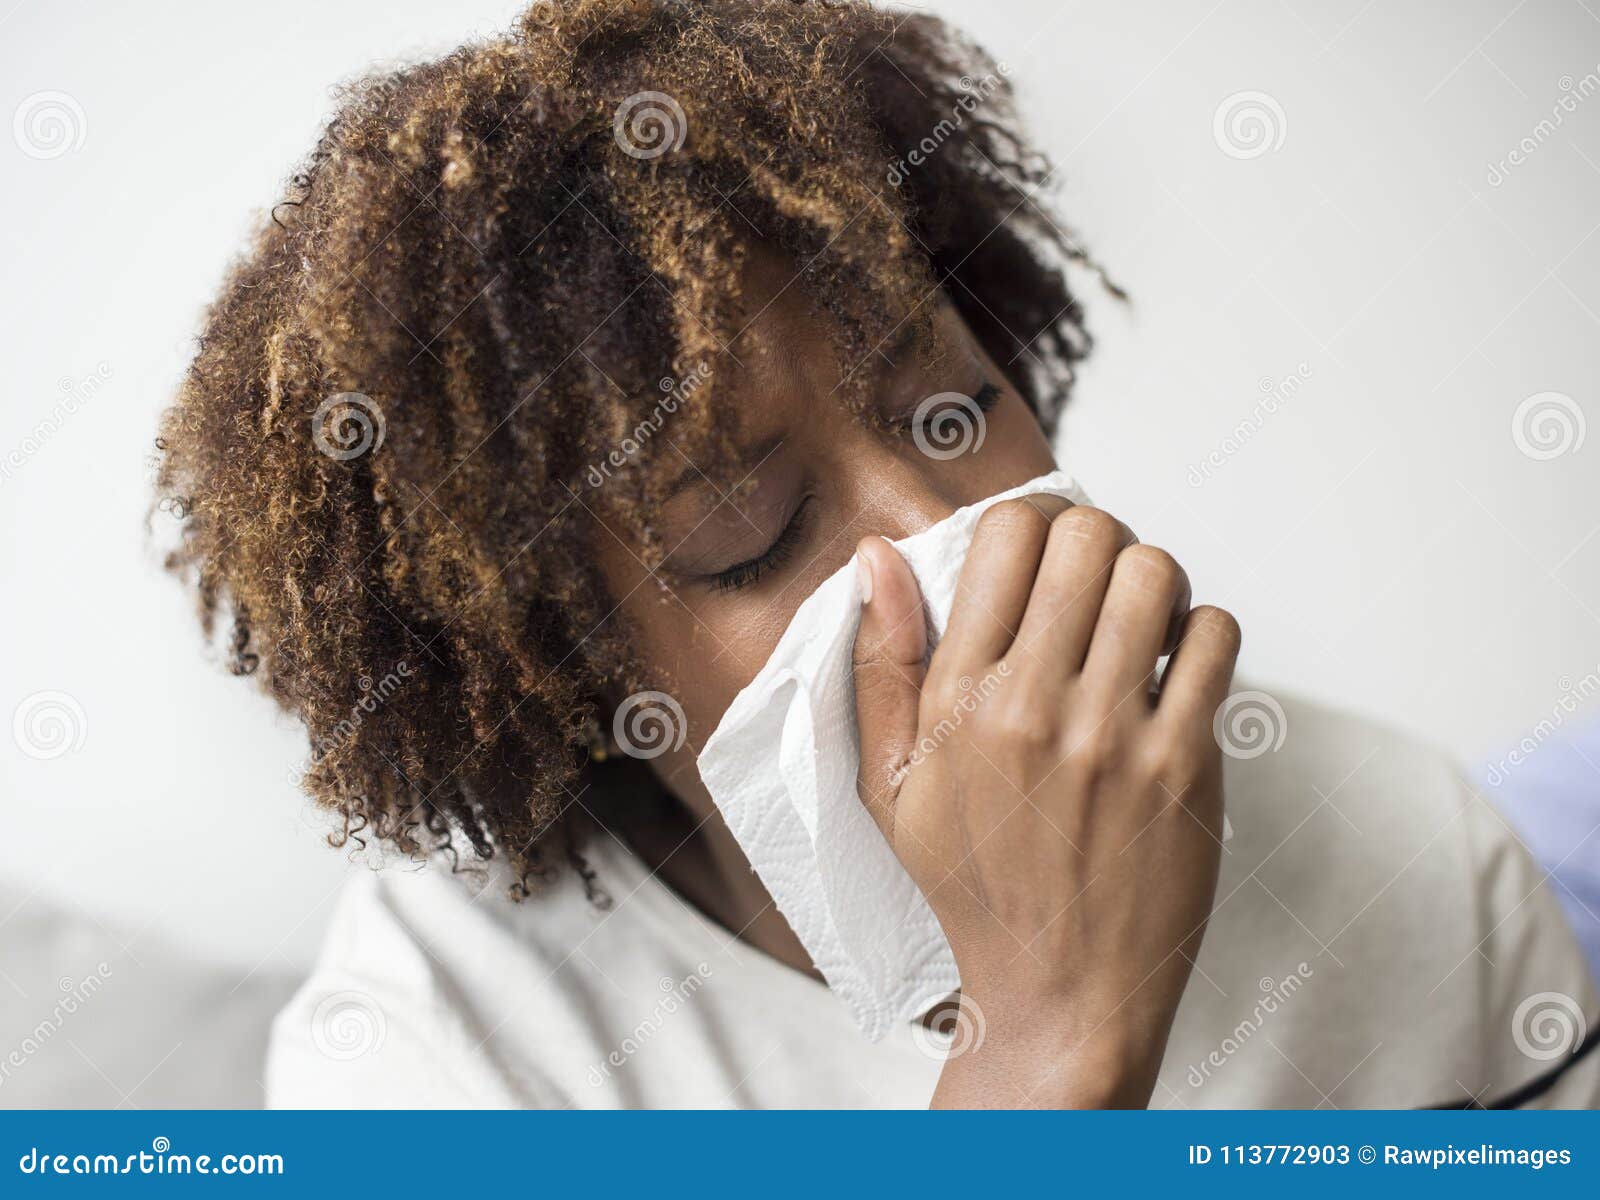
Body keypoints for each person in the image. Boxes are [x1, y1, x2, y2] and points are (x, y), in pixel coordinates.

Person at [154, 0, 1599, 1108]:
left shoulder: (1413, 855)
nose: (931, 523)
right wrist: (1042, 1043)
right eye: (751, 529)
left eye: (955, 408)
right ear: (572, 670)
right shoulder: (439, 1038)